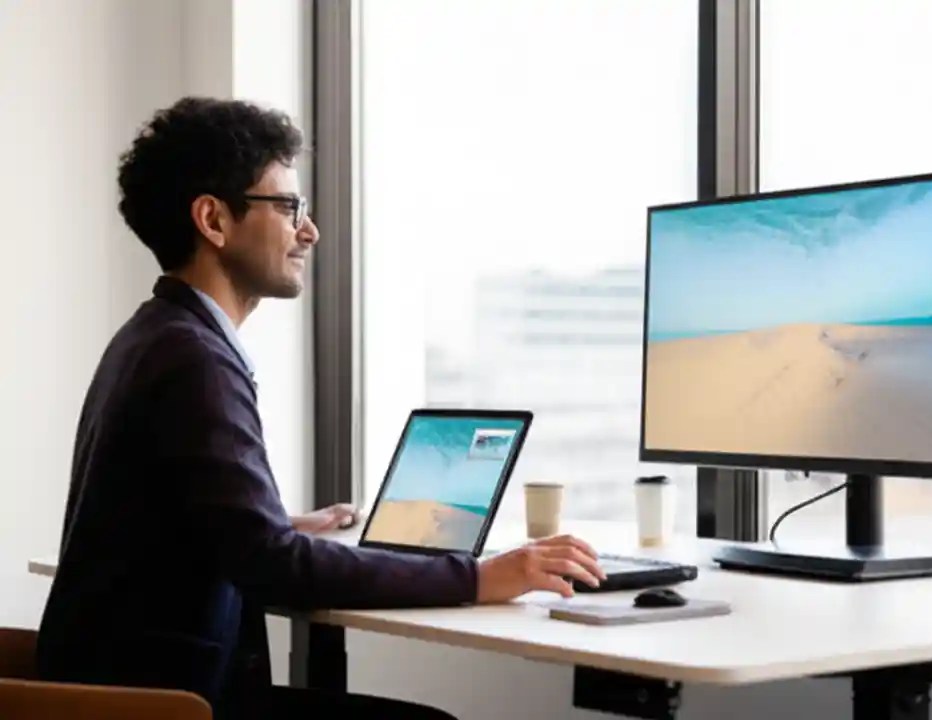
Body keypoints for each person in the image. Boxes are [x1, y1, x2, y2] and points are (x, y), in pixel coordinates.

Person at [36, 97, 607, 719]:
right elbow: (276, 570)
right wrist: (479, 578)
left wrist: (266, 526)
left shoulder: (155, 334)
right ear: (213, 220)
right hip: (163, 704)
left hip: (131, 687)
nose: (309, 230)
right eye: (288, 207)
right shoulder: (192, 358)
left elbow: (190, 532)